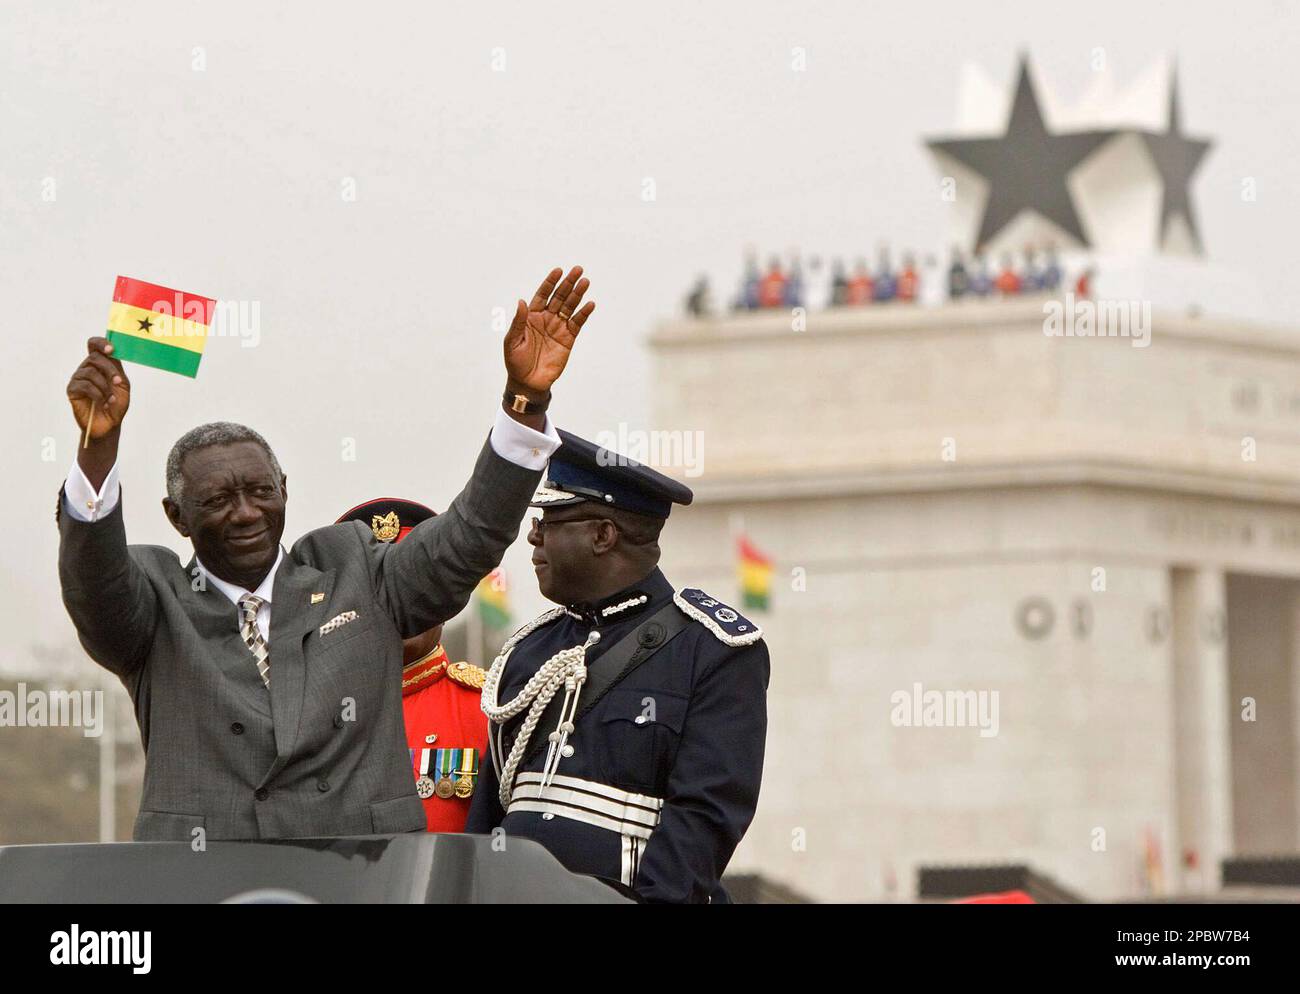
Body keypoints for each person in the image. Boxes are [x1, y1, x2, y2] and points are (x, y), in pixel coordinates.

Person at [58, 266, 595, 841]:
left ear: (285, 490)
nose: (245, 512)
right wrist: (97, 450)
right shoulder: (154, 598)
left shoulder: (354, 568)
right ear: (176, 517)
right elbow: (97, 582)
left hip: (360, 882)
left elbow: (470, 536)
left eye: (260, 491)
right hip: (205, 884)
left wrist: (525, 400)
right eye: (217, 499)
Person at [466, 431, 770, 903]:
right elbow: (486, 819)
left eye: (550, 519)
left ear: (603, 535)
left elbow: (703, 818)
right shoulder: (528, 650)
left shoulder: (714, 650)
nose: (533, 535)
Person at [333, 497, 488, 833]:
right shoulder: (302, 712)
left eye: (414, 590)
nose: (397, 607)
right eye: (374, 590)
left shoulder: (489, 712)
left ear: (446, 597)